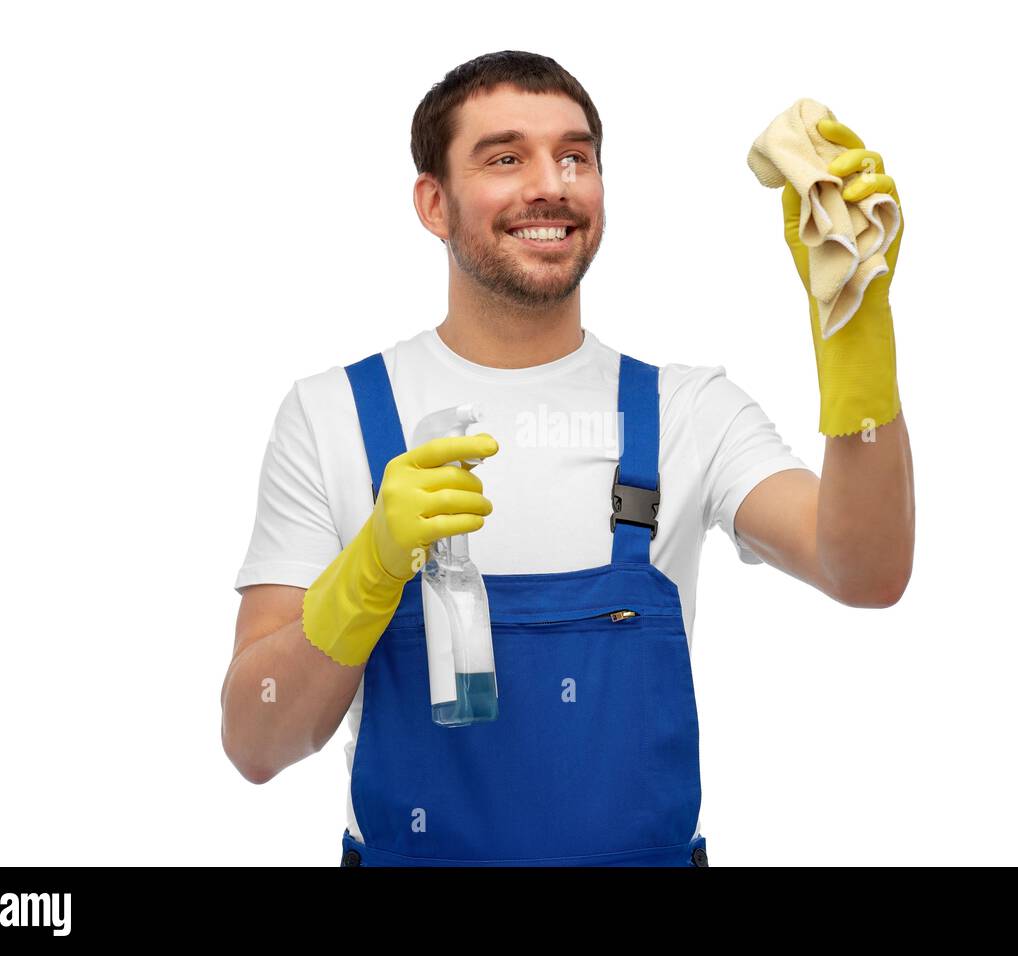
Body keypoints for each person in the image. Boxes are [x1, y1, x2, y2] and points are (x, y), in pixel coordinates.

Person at [221, 50, 915, 867]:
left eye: (575, 156)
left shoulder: (687, 412)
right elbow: (255, 739)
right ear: (432, 203)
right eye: (505, 157)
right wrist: (366, 574)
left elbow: (866, 571)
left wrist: (856, 333)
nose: (551, 183)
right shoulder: (330, 415)